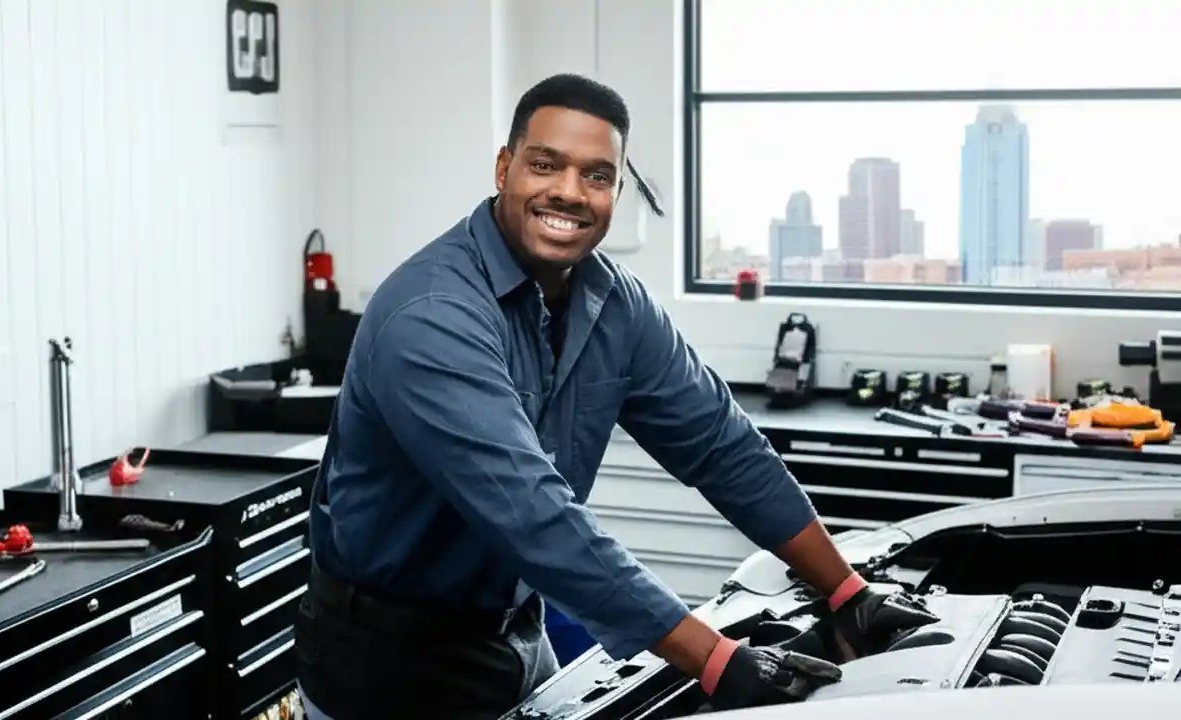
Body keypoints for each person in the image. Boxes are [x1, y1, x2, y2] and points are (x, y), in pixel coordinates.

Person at [294, 73, 938, 720]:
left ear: (617, 191)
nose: (569, 193)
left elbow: (721, 445)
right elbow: (534, 517)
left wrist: (849, 592)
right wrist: (718, 662)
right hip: (387, 669)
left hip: (514, 635)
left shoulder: (614, 304)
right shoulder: (431, 315)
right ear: (503, 167)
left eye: (597, 176)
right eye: (546, 165)